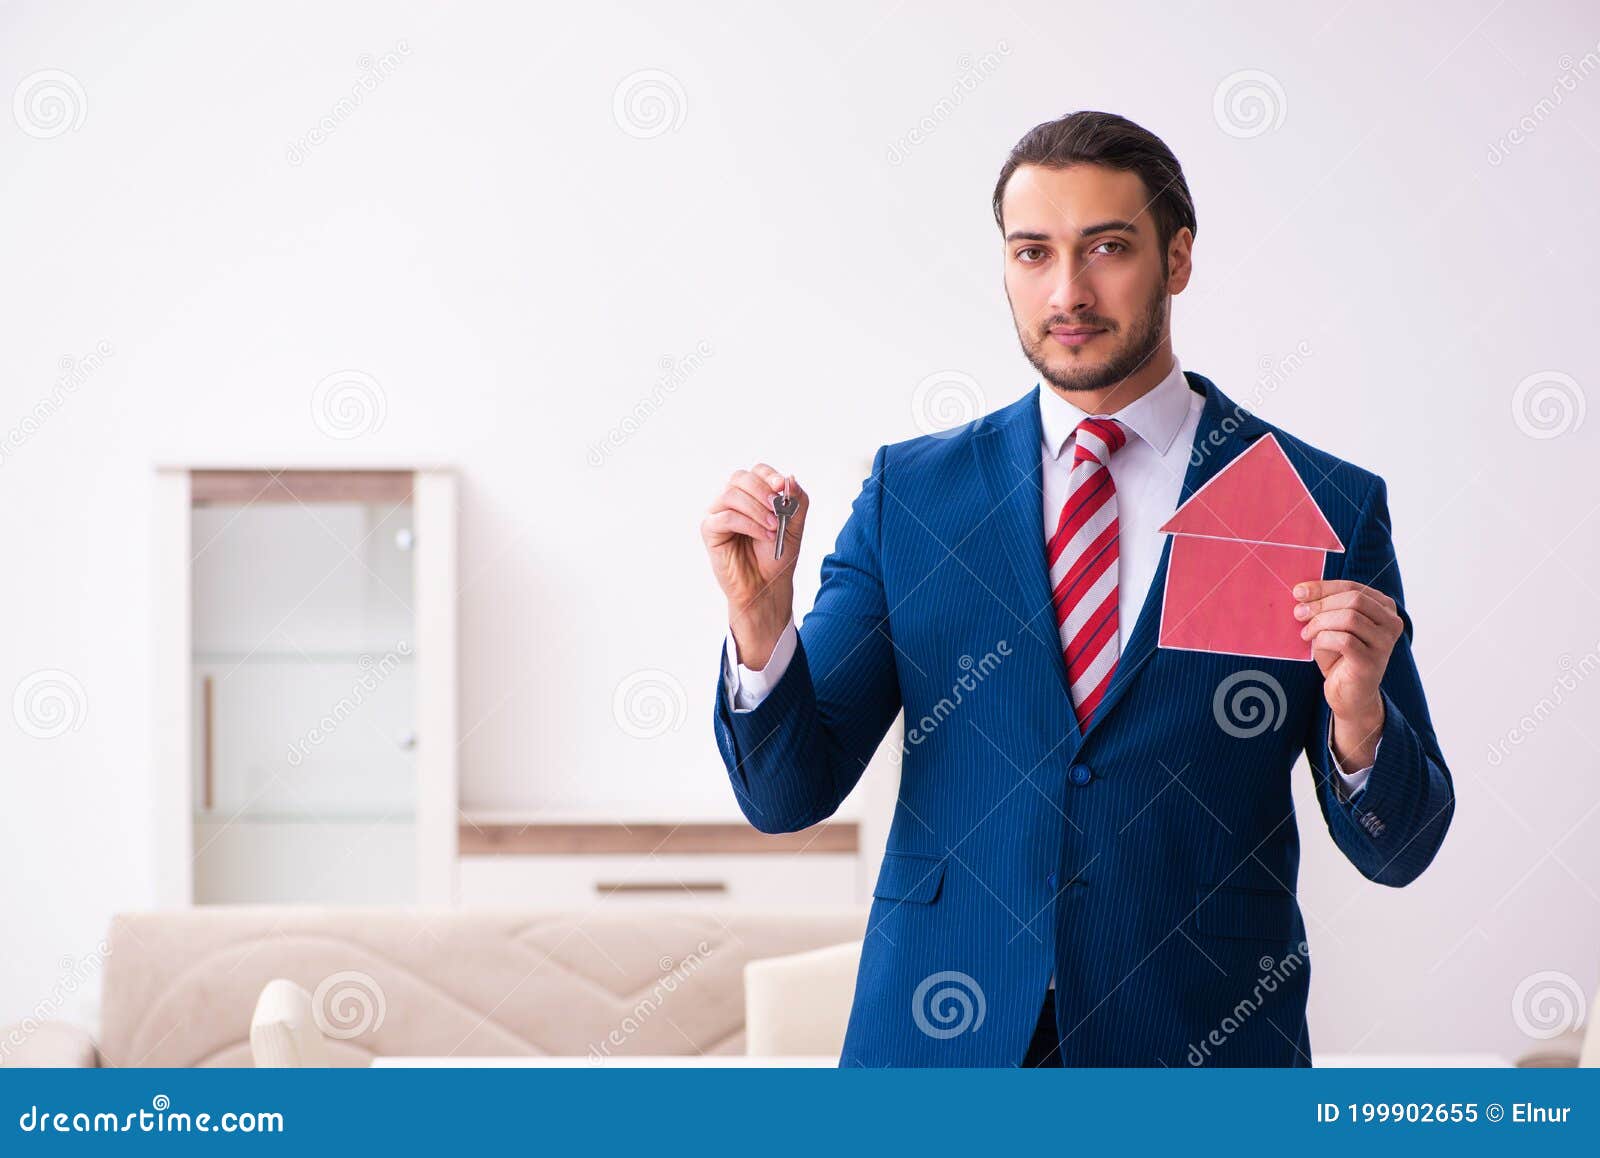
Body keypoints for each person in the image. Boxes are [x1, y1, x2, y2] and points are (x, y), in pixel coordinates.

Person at [700, 110, 1454, 1067]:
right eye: (1032, 253)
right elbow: (785, 795)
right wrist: (761, 627)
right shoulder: (915, 498)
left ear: (1177, 259)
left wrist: (1359, 726)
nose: (1068, 291)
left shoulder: (1311, 503)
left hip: (1198, 1049)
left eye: (1107, 248)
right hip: (940, 1047)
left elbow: (1402, 848)